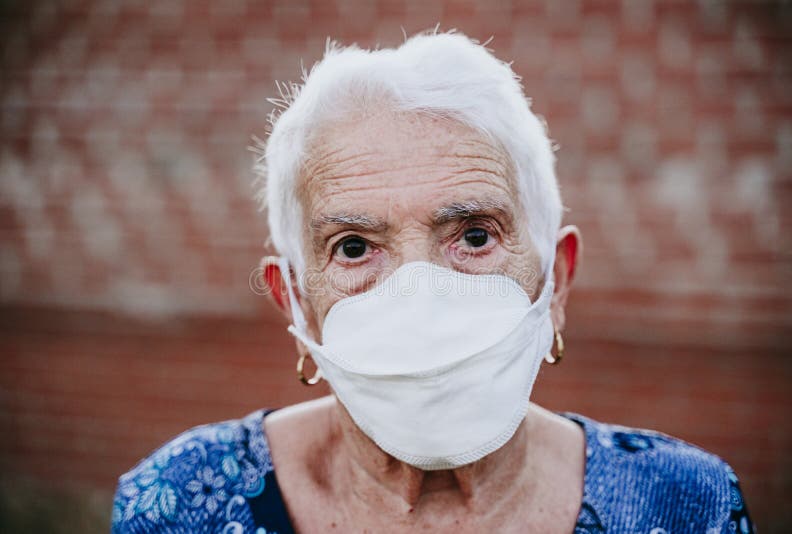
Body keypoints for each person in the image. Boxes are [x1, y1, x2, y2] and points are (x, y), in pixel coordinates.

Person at [112, 31, 754, 533]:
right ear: (298, 305)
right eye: (355, 247)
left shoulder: (688, 505)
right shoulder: (179, 504)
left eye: (475, 235)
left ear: (555, 280)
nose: (420, 303)